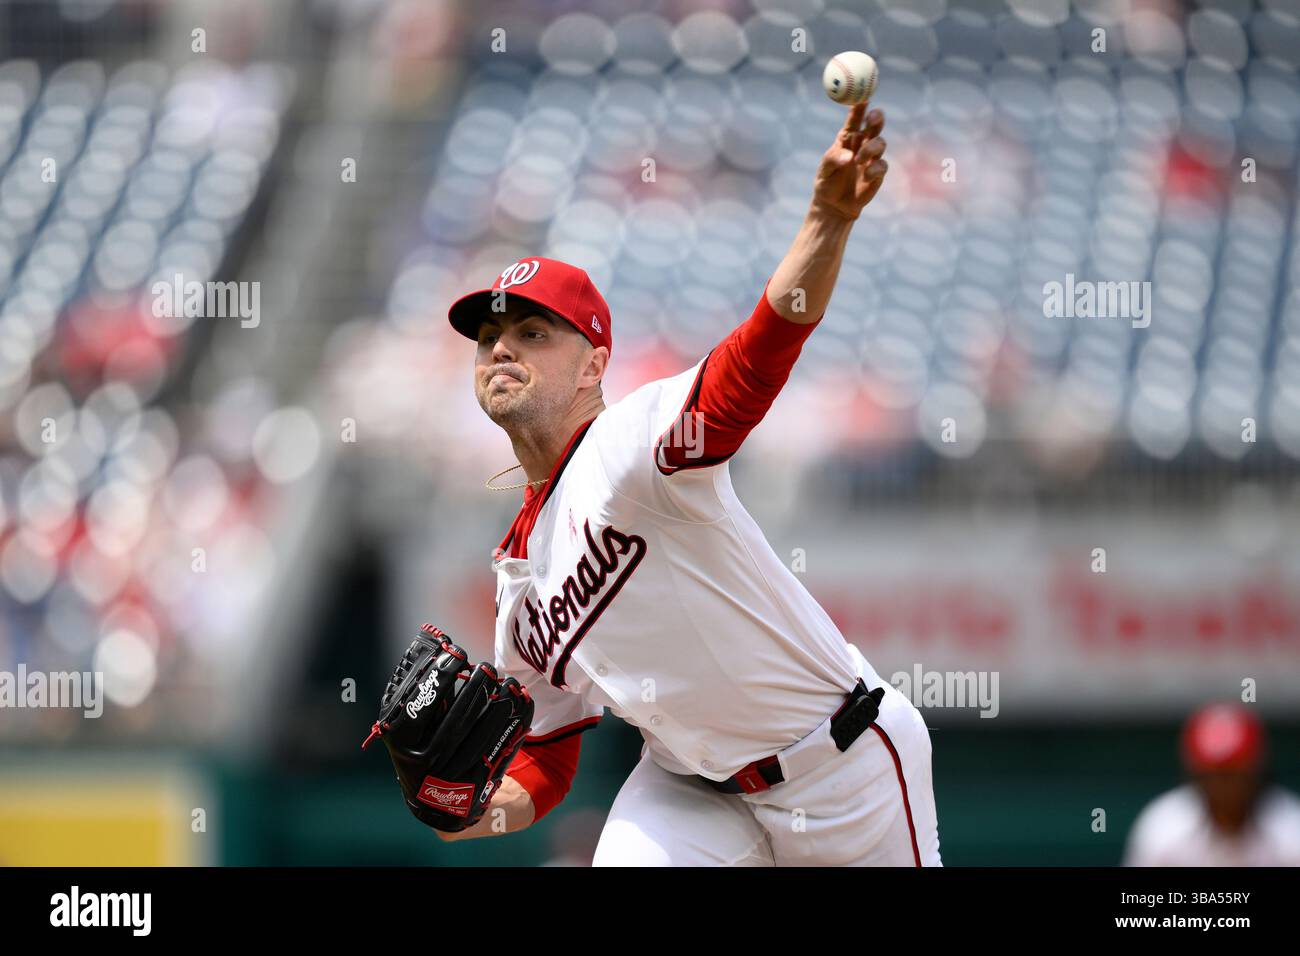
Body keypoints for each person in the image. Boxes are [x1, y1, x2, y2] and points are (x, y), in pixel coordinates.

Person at [440, 104, 939, 865]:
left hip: (839, 765)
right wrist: (467, 814)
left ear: (593, 364)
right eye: (488, 337)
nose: (501, 346)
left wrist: (826, 222)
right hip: (688, 787)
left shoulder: (629, 444)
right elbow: (546, 763)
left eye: (532, 332)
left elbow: (748, 369)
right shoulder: (517, 589)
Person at [1123, 702, 1300, 866]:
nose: (1222, 787)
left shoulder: (1290, 830)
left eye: (1232, 774)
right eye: (1212, 775)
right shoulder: (1163, 827)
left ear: (1256, 770)